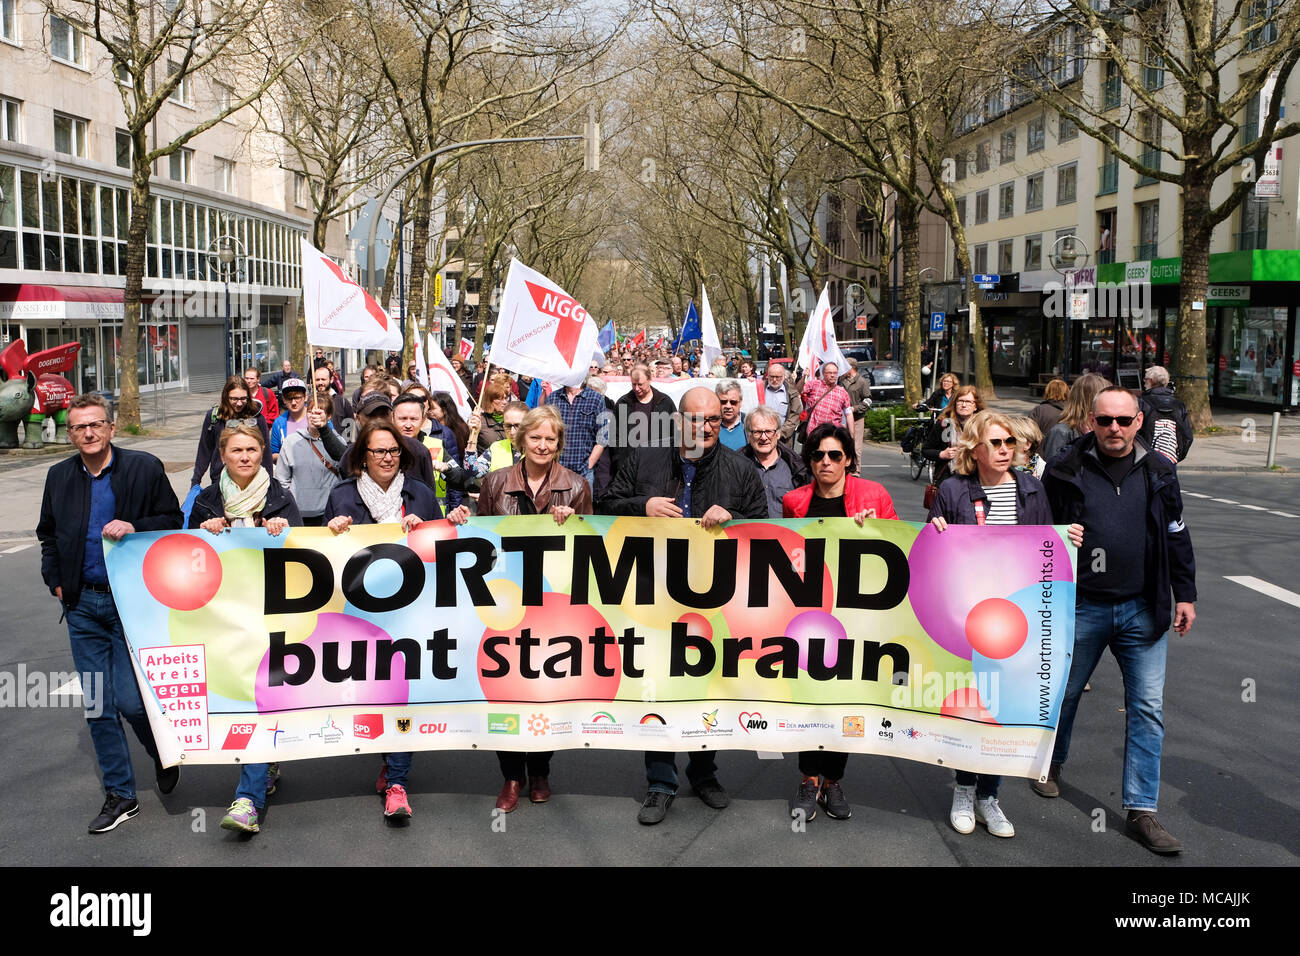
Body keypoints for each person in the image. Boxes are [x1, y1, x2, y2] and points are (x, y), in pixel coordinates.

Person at [1036, 386, 1197, 855]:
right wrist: (1058, 534)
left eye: (1123, 421)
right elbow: (1037, 528)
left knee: (1147, 710)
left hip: (1142, 609)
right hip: (1080, 604)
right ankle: (1050, 763)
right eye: (1105, 420)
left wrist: (1184, 594)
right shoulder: (1066, 468)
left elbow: (1177, 534)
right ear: (1091, 421)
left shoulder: (1160, 471)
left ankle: (1142, 810)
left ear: (1138, 422)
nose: (1114, 429)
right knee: (1064, 695)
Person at [603, 387, 768, 825]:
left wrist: (735, 520)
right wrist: (644, 505)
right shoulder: (643, 458)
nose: (706, 427)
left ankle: (703, 770)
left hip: (714, 603)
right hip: (652, 598)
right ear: (678, 422)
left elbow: (765, 527)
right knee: (657, 686)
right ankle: (660, 781)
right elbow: (605, 505)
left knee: (705, 686)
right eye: (697, 419)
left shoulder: (740, 469)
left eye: (714, 419)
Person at [37, 394, 184, 833]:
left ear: (111, 427)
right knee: (99, 706)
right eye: (79, 427)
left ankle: (160, 751)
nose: (88, 433)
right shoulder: (59, 475)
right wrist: (56, 580)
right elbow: (47, 534)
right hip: (81, 604)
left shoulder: (142, 467)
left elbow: (174, 520)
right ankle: (120, 795)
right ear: (70, 433)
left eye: (95, 425)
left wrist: (136, 526)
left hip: (130, 603)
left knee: (130, 702)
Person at [927, 410, 1053, 839]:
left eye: (1009, 444)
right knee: (971, 704)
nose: (1005, 451)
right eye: (995, 444)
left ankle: (990, 796)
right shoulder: (953, 489)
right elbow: (931, 552)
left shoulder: (1032, 488)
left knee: (1002, 706)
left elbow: (1044, 547)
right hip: (967, 615)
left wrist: (1065, 541)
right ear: (974, 449)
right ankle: (964, 788)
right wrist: (936, 529)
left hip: (1015, 615)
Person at [475, 405, 594, 811]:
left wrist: (573, 522)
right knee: (506, 689)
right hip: (504, 605)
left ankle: (541, 769)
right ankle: (512, 776)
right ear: (520, 439)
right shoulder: (493, 484)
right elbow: (481, 547)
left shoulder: (576, 487)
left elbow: (589, 552)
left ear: (559, 444)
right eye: (535, 437)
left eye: (550, 439)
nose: (543, 445)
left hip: (552, 606)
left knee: (545, 688)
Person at [325, 420, 441, 822]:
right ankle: (388, 760)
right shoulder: (342, 495)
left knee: (400, 693)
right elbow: (326, 557)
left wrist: (428, 530)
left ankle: (398, 782)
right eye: (378, 451)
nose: (388, 458)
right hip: (361, 614)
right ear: (362, 456)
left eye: (393, 450)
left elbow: (443, 548)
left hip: (411, 613)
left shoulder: (421, 494)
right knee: (374, 693)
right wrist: (335, 532)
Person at [781, 422, 898, 822]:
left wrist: (876, 530)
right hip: (810, 617)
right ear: (809, 461)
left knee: (845, 699)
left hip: (857, 617)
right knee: (810, 698)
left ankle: (833, 779)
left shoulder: (874, 495)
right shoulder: (795, 501)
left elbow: (901, 546)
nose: (826, 462)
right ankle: (808, 777)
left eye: (834, 455)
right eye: (817, 455)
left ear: (848, 458)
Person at [189, 424, 302, 834]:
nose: (244, 457)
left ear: (262, 453)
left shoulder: (279, 498)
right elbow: (185, 557)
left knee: (258, 700)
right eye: (235, 450)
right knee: (247, 701)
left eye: (252, 449)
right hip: (227, 617)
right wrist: (203, 534)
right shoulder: (206, 500)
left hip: (274, 617)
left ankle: (247, 799)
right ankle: (263, 766)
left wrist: (282, 533)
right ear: (222, 454)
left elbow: (305, 557)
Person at [192, 376, 272, 487]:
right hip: (220, 481)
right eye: (234, 399)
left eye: (243, 398)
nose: (239, 403)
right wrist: (195, 481)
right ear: (226, 397)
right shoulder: (214, 417)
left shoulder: (258, 419)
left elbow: (266, 453)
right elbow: (204, 450)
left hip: (251, 480)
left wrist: (270, 483)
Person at [274, 395, 342, 525]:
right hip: (298, 515)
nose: (314, 416)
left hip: (329, 516)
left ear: (329, 416)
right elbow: (282, 480)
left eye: (319, 413)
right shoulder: (291, 442)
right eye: (310, 412)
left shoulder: (338, 442)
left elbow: (344, 473)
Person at [392, 392, 465, 512]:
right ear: (392, 418)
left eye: (414, 419)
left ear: (423, 419)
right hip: (394, 521)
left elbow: (461, 479)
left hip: (430, 520)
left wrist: (447, 468)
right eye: (403, 419)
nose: (408, 425)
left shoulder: (435, 445)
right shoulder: (383, 447)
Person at [742, 405, 809, 518]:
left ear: (778, 434)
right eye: (757, 432)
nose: (764, 437)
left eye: (769, 431)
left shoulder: (797, 468)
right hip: (748, 534)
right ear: (749, 435)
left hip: (788, 534)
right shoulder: (737, 467)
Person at [612, 364, 676, 475]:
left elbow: (675, 433)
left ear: (650, 380)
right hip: (629, 469)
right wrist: (619, 460)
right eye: (633, 384)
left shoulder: (665, 402)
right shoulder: (623, 403)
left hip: (659, 468)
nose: (636, 388)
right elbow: (615, 436)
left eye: (640, 384)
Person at [545, 373, 606, 488]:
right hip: (556, 470)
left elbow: (603, 437)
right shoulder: (553, 398)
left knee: (582, 506)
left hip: (583, 471)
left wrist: (589, 464)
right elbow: (544, 432)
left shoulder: (596, 399)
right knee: (556, 506)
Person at [921, 385, 983, 487]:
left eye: (968, 402)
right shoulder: (943, 424)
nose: (964, 405)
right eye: (960, 401)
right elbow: (926, 450)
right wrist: (942, 454)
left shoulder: (983, 425)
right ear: (955, 404)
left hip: (977, 479)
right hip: (949, 481)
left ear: (975, 406)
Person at [1039, 372, 1108, 462]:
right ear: (1093, 401)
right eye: (1106, 397)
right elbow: (1053, 470)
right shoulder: (1061, 432)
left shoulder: (1103, 430)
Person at [1138, 366, 1193, 464]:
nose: (1144, 382)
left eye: (1145, 379)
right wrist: (1177, 456)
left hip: (1146, 459)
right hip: (1170, 458)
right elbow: (1187, 436)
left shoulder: (1141, 403)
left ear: (1150, 381)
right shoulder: (1179, 405)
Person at [801, 361, 853, 433]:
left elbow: (849, 414)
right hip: (814, 432)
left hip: (833, 433)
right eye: (829, 373)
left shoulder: (843, 392)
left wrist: (852, 434)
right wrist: (803, 377)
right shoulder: (813, 384)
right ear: (823, 374)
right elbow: (798, 391)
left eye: (835, 373)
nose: (832, 375)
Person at [757, 361, 802, 443]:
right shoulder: (759, 389)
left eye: (777, 377)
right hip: (761, 437)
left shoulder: (792, 392)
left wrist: (780, 433)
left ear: (784, 376)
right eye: (772, 376)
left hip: (782, 439)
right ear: (767, 376)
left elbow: (795, 415)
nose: (774, 380)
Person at [269, 377, 310, 463]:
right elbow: (273, 454)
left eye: (297, 397)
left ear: (305, 397)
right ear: (283, 399)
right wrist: (288, 456)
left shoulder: (317, 417)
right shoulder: (278, 423)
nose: (294, 403)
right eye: (289, 398)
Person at [839, 359, 872, 463]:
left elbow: (868, 400)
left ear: (851, 367)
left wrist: (855, 408)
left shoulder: (862, 382)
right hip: (842, 419)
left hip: (856, 419)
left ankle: (855, 471)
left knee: (856, 447)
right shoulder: (840, 381)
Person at [430, 392, 471, 465]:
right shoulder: (431, 427)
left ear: (444, 410)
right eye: (429, 408)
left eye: (433, 408)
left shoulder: (461, 428)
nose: (430, 411)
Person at [313, 364, 352, 434]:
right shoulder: (310, 402)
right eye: (317, 380)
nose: (320, 382)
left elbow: (351, 428)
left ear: (331, 380)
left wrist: (348, 444)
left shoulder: (342, 402)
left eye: (323, 379)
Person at [716, 380, 746, 450]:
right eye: (723, 402)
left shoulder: (749, 423)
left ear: (740, 402)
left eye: (733, 402)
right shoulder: (708, 425)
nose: (728, 406)